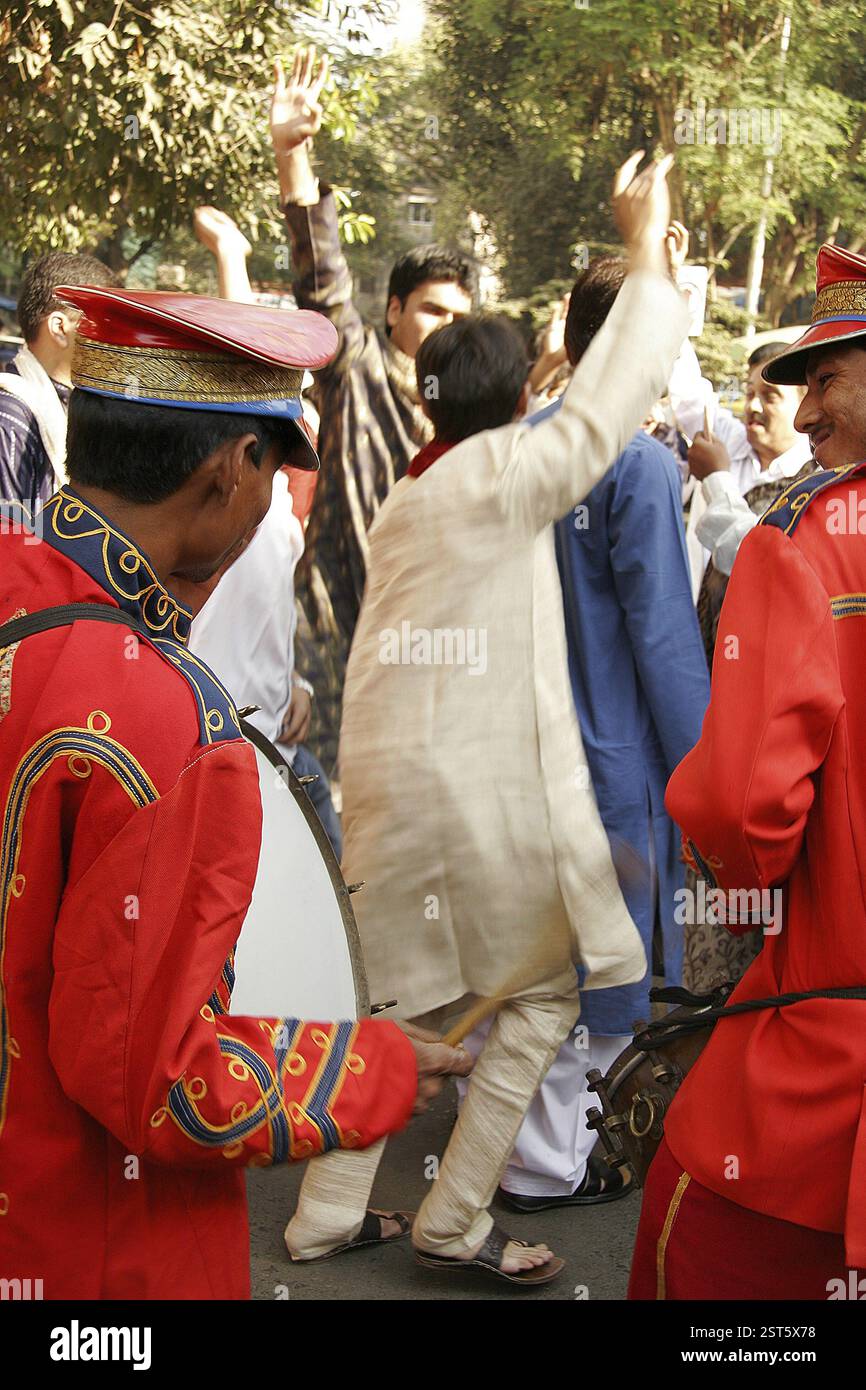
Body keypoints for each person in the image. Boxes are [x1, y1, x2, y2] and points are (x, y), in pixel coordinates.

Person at [0, 283, 470, 1300]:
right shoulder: (173, 728)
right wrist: (368, 1069)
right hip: (95, 1251)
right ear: (230, 468)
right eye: (273, 464)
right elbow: (160, 1085)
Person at [280, 151, 689, 1285]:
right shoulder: (507, 473)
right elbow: (610, 407)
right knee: (543, 996)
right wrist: (647, 238)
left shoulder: (420, 488)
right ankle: (454, 1216)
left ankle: (325, 1212)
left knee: (408, 1008)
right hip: (477, 809)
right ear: (516, 403)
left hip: (402, 806)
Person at [629, 242, 866, 1301]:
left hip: (818, 1063)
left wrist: (738, 866)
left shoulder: (802, 548)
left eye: (823, 376)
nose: (803, 411)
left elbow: (736, 808)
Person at [494, 255, 709, 1213]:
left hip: (515, 749)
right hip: (611, 752)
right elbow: (663, 638)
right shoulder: (637, 460)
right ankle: (558, 1161)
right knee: (606, 970)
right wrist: (711, 780)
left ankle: (519, 1148)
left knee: (538, 958)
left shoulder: (514, 447)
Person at [271, 47, 477, 769]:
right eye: (431, 311)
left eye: (460, 317)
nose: (446, 329)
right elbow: (322, 281)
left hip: (431, 679)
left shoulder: (472, 424)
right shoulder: (357, 373)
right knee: (327, 858)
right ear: (393, 311)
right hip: (333, 661)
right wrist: (293, 159)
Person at [188, 206, 341, 853]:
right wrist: (233, 260)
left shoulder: (280, 498)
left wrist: (295, 684)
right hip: (213, 760)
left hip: (279, 750)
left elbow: (267, 615)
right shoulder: (216, 490)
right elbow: (246, 380)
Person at [688, 341, 814, 667]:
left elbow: (756, 558)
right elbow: (687, 397)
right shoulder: (731, 446)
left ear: (805, 406)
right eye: (748, 393)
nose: (753, 407)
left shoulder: (815, 483)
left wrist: (716, 477)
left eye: (770, 396)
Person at [0, 251, 115, 511]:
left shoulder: (79, 407)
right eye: (106, 324)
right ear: (60, 329)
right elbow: (9, 540)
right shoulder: (10, 418)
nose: (114, 341)